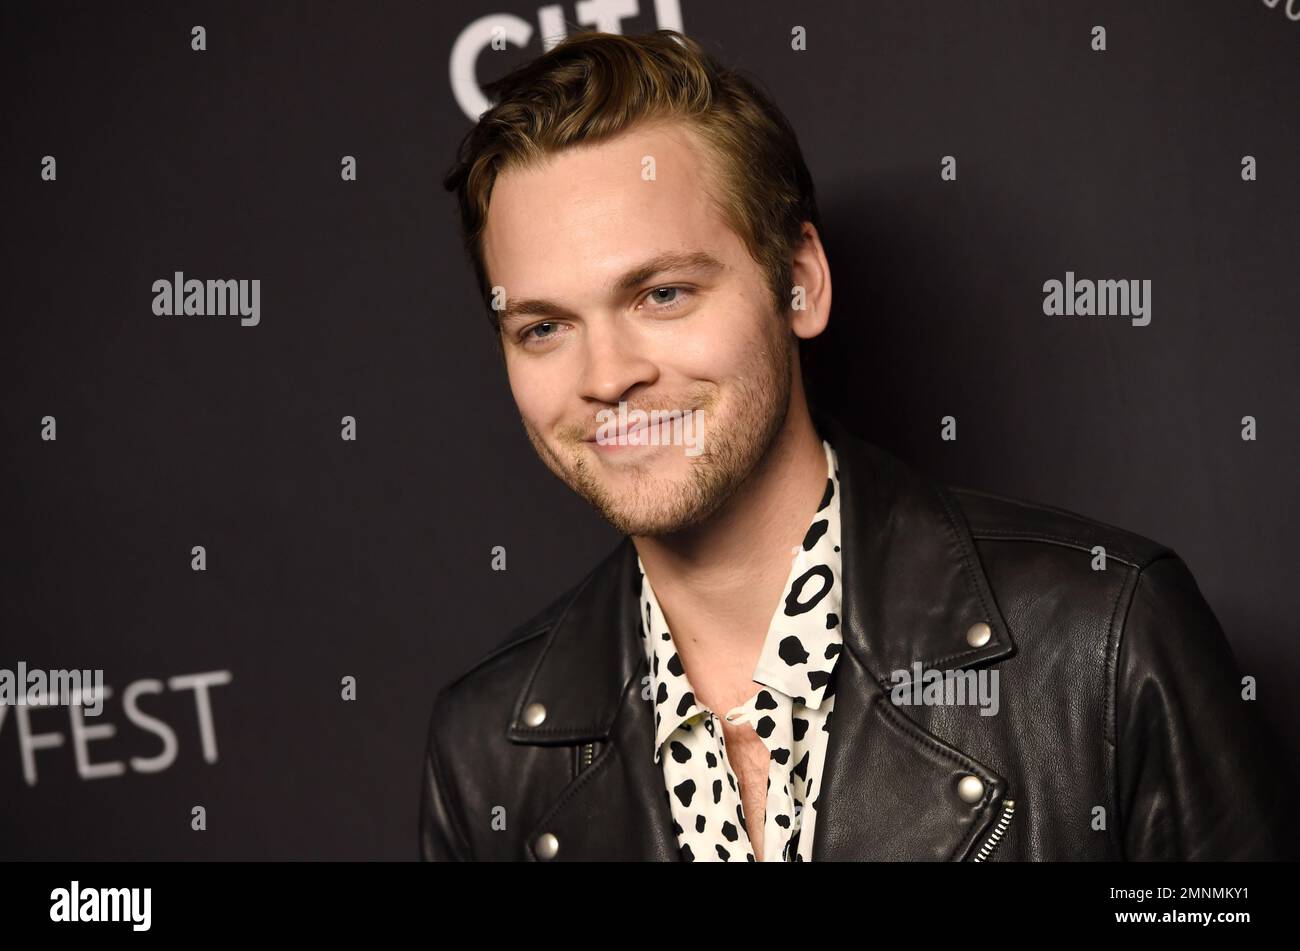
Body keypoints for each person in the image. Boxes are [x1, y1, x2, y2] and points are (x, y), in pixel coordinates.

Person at [420, 29, 1298, 861]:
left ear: (798, 282)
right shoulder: (487, 749)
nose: (606, 375)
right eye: (543, 328)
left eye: (663, 294)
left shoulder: (1102, 642)